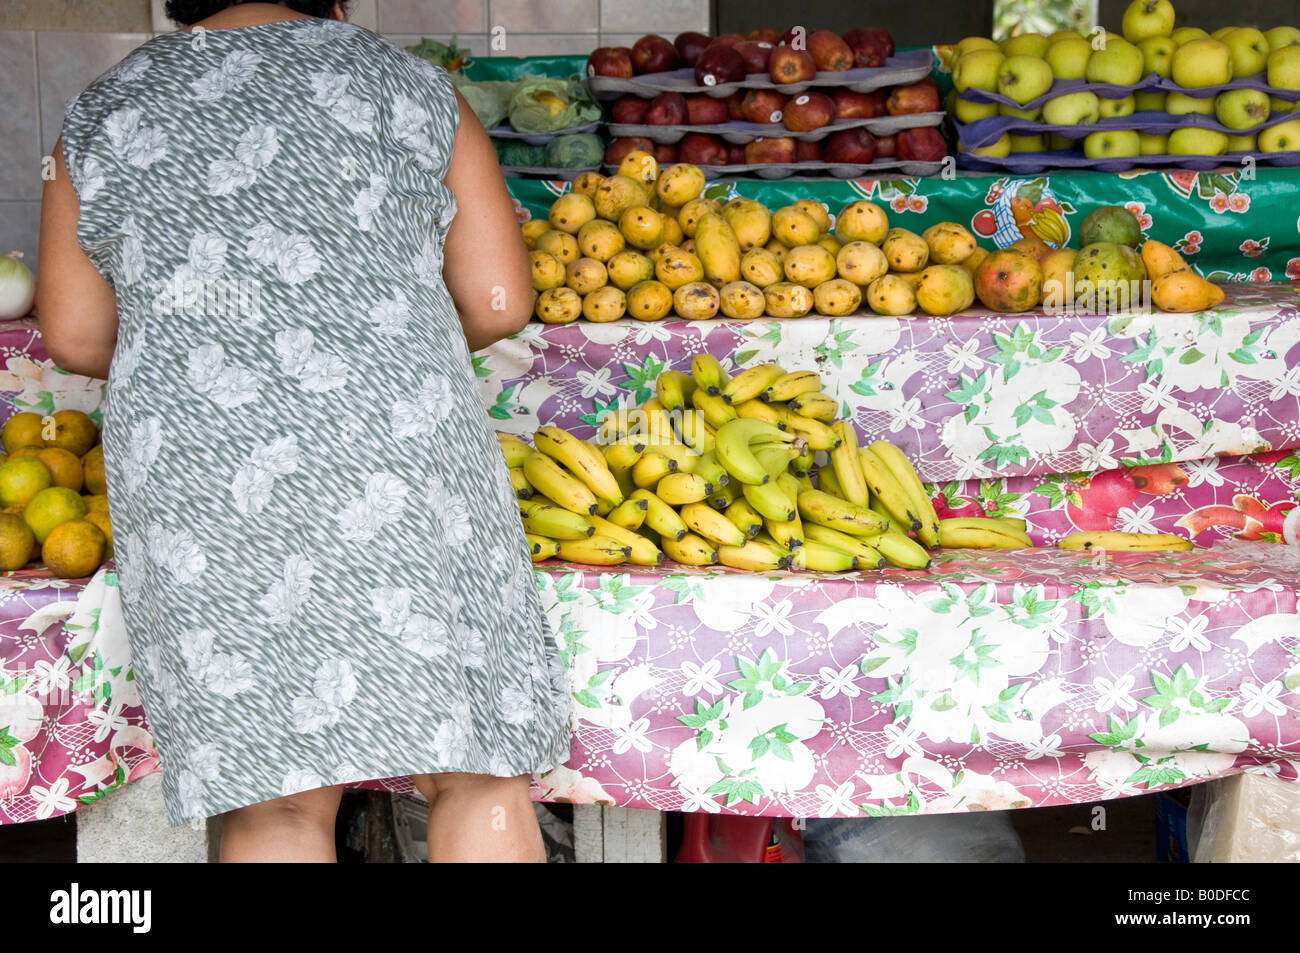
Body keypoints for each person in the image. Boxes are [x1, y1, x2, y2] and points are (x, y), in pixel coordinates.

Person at [37, 0, 570, 862]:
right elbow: (496, 298)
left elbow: (75, 334)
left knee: (273, 795)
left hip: (202, 471)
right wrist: (369, 339)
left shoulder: (104, 109)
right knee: (479, 772)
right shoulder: (412, 86)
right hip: (397, 445)